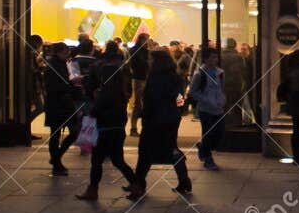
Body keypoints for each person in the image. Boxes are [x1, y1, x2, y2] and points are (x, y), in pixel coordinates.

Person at [129, 49, 191, 198]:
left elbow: (150, 101)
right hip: (171, 119)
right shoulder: (175, 77)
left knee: (145, 152)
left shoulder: (154, 78)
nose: (149, 62)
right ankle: (184, 181)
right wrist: (177, 111)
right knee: (171, 148)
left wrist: (144, 116)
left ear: (157, 62)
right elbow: (180, 99)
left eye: (151, 60)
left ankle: (138, 185)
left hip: (154, 120)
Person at [76, 59, 137, 200]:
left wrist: (91, 110)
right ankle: (136, 184)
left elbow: (96, 111)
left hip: (104, 131)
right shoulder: (121, 93)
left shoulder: (104, 93)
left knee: (96, 162)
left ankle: (92, 190)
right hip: (117, 130)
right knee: (118, 161)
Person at [42, 42, 83, 176]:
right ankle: (56, 160)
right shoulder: (55, 66)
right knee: (69, 131)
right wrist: (72, 84)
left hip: (59, 104)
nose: (67, 56)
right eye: (65, 53)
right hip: (59, 104)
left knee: (57, 133)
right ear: (59, 52)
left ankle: (56, 159)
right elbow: (55, 87)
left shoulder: (58, 64)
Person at [187, 47, 227, 170]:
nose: (215, 60)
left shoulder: (220, 73)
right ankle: (208, 159)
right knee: (208, 133)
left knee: (219, 133)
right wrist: (206, 99)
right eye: (212, 57)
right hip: (206, 110)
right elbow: (193, 92)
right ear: (206, 59)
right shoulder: (199, 74)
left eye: (216, 57)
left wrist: (222, 100)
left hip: (218, 108)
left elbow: (221, 89)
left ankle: (203, 148)